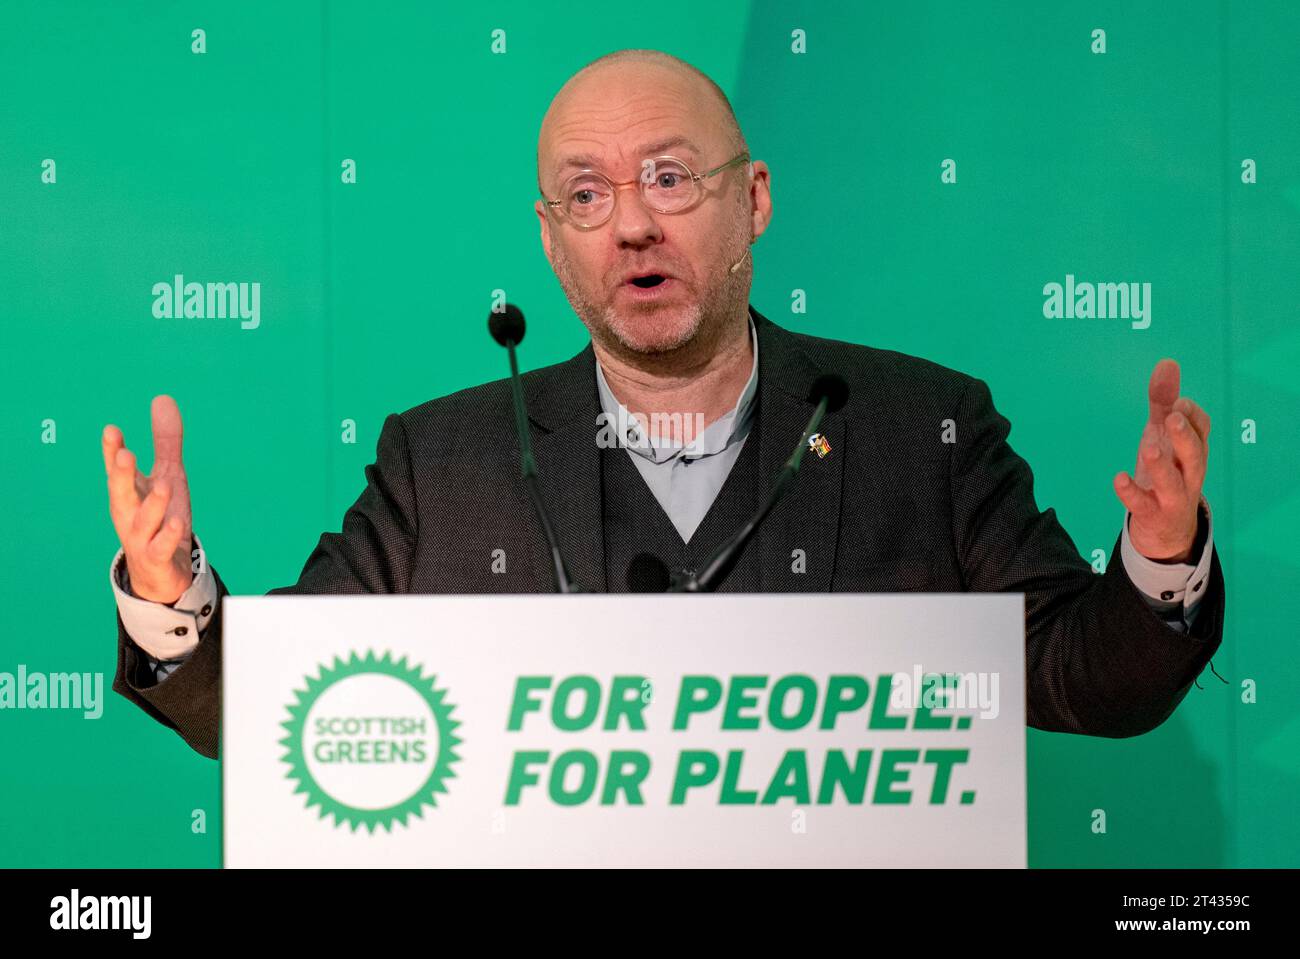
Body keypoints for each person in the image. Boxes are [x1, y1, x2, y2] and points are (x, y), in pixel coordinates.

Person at [102, 49, 1223, 761]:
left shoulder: (919, 426)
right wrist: (171, 590)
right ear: (551, 240)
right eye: (586, 195)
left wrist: (1158, 558)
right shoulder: (441, 458)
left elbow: (1085, 675)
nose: (630, 224)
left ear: (756, 200)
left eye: (670, 179)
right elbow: (280, 709)